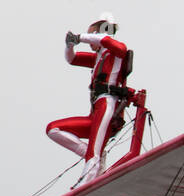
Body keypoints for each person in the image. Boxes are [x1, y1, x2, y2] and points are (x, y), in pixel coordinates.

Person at [46, 13, 135, 185]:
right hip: (95, 112)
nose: (89, 43)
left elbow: (118, 47)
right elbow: (71, 59)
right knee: (53, 129)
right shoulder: (98, 58)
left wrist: (81, 37)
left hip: (108, 104)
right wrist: (70, 45)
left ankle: (86, 181)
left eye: (91, 36)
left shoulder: (116, 51)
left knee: (94, 152)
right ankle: (95, 158)